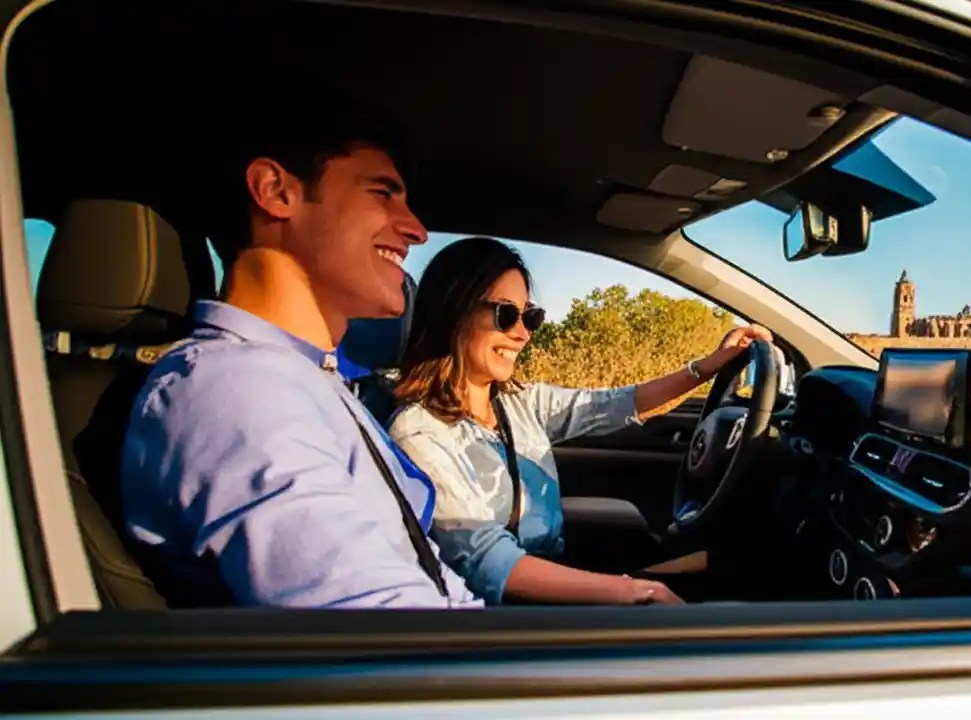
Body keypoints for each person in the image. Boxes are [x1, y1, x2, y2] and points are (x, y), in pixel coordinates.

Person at [120, 101, 479, 608]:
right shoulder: (235, 389)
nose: (417, 230)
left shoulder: (307, 379)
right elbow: (383, 636)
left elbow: (427, 585)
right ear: (275, 191)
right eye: (382, 193)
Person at [388, 237, 771, 606]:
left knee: (734, 562)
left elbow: (618, 404)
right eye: (506, 315)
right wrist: (639, 591)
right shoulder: (420, 434)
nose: (522, 333)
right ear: (453, 313)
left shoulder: (516, 402)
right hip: (513, 609)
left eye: (530, 316)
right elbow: (492, 565)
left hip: (556, 567)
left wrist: (706, 367)